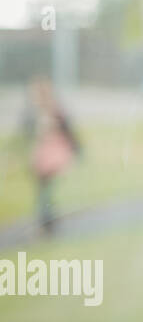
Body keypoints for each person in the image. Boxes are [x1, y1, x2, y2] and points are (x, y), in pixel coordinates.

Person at [21, 74, 81, 233]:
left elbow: (69, 131)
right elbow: (26, 132)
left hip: (53, 156)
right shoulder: (35, 113)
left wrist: (76, 150)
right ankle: (48, 221)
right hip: (44, 156)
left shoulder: (55, 111)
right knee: (44, 192)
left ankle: (48, 223)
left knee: (46, 193)